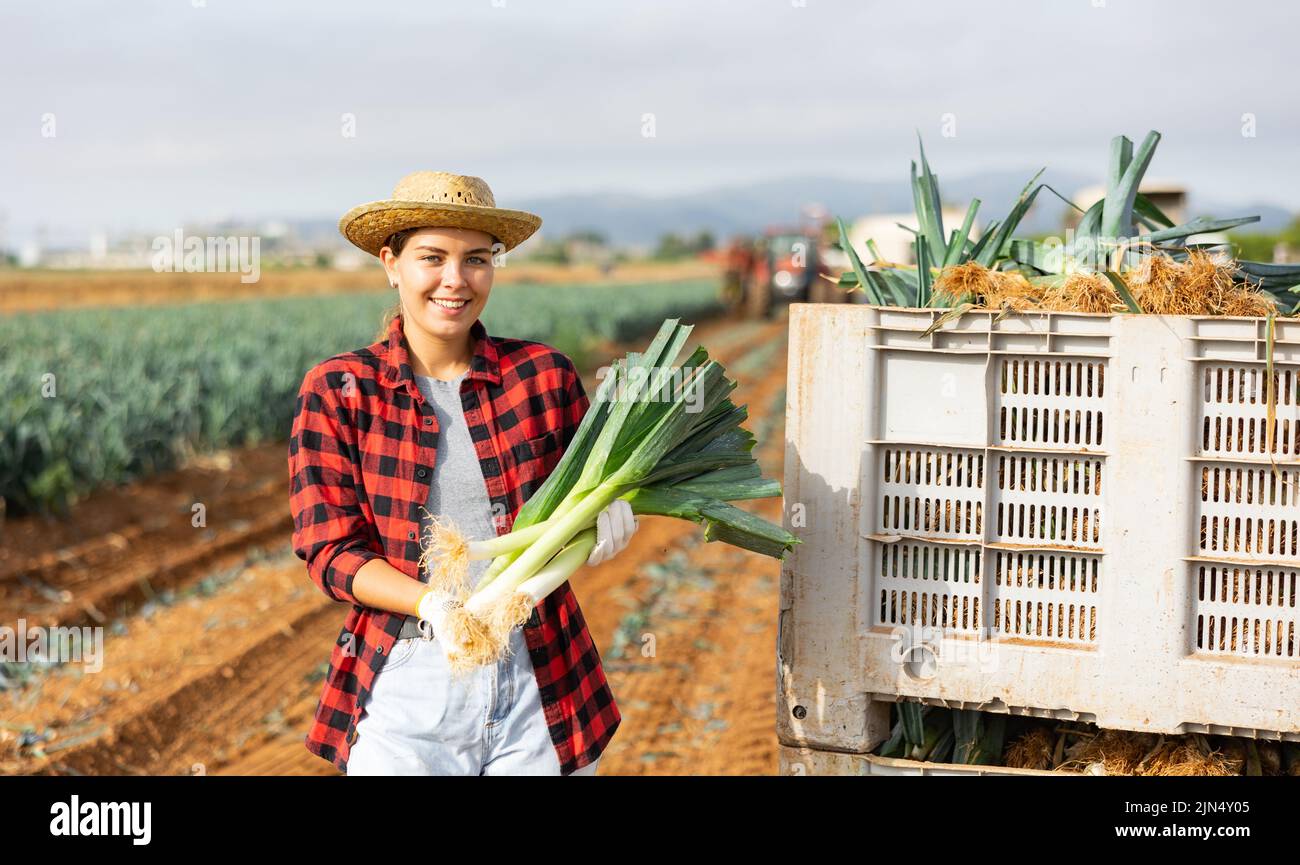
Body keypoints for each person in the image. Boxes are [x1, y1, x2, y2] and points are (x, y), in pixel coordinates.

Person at [289, 170, 638, 775]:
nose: (455, 280)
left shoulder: (542, 376)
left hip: (540, 676)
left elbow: (583, 499)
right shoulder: (341, 389)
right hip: (408, 683)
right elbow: (330, 550)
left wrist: (603, 518)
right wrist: (434, 606)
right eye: (432, 257)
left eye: (476, 259)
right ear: (390, 263)